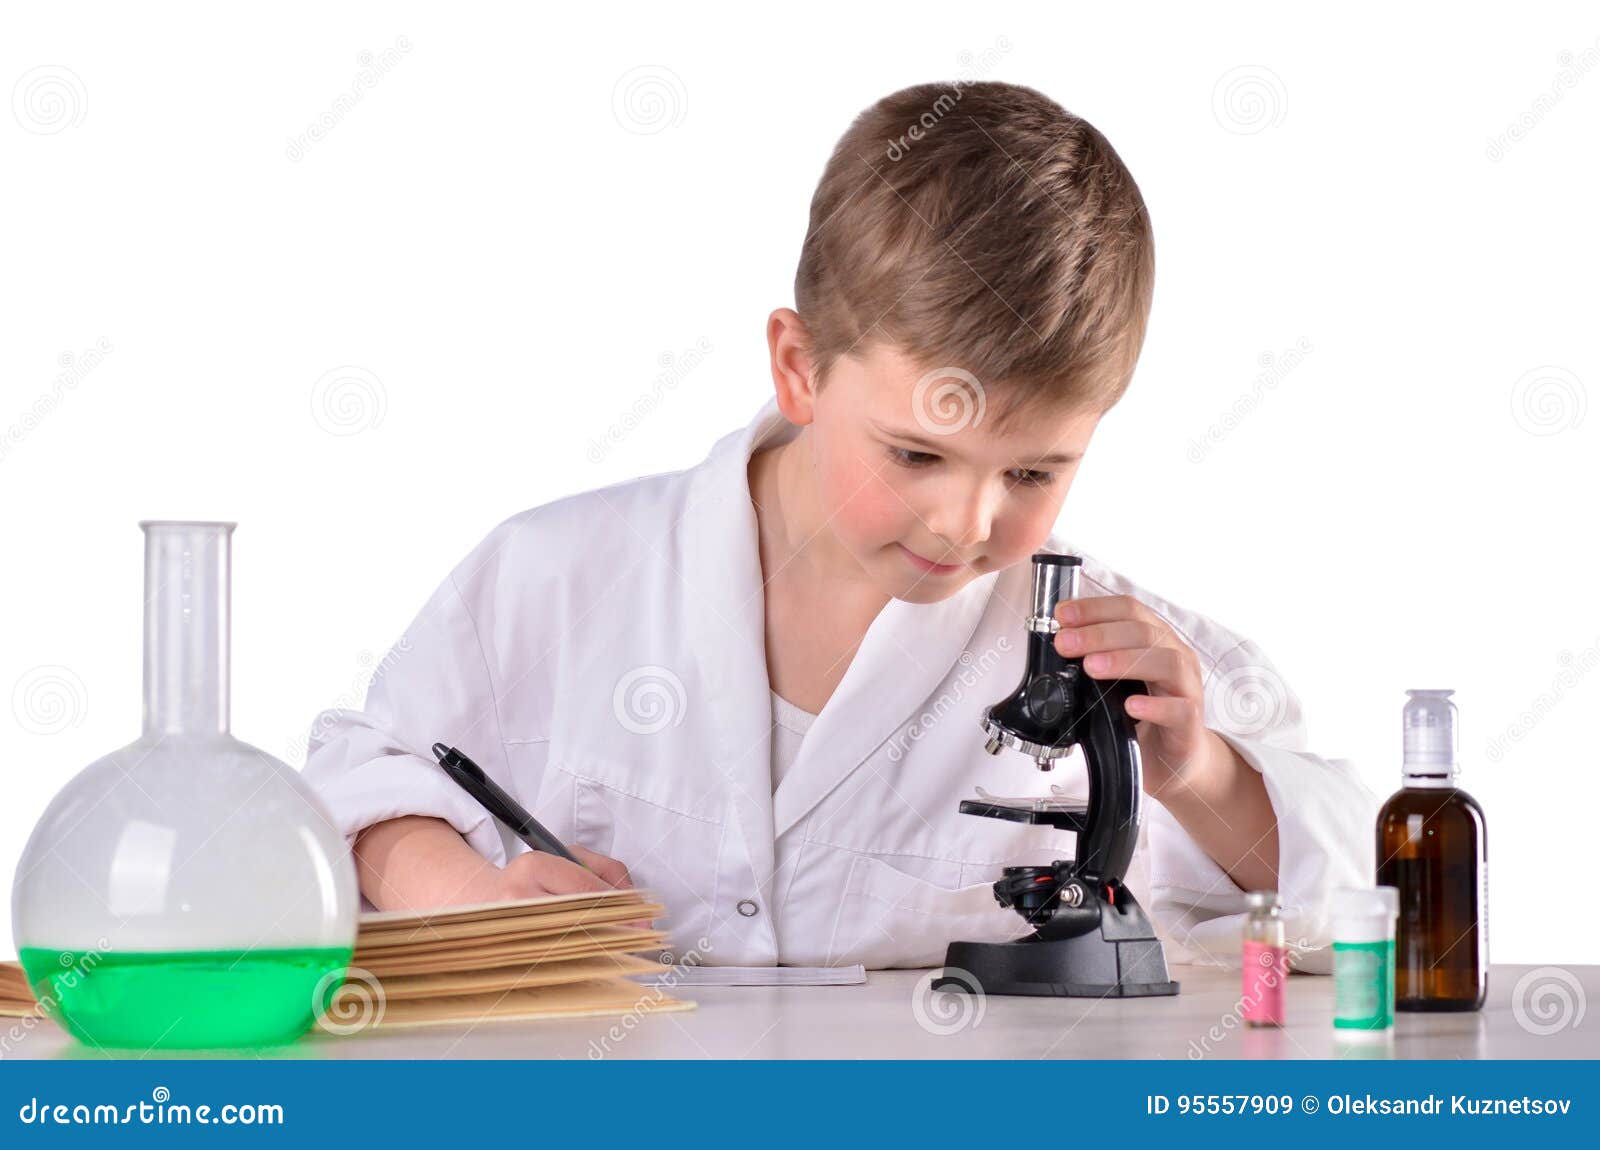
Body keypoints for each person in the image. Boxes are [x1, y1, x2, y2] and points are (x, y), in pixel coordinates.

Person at [302, 81, 1375, 971]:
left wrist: (1200, 773)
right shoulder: (554, 579)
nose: (968, 521)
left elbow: (1375, 904)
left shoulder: (1112, 667)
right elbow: (357, 776)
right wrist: (460, 894)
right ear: (799, 366)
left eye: (1035, 470)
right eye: (916, 453)